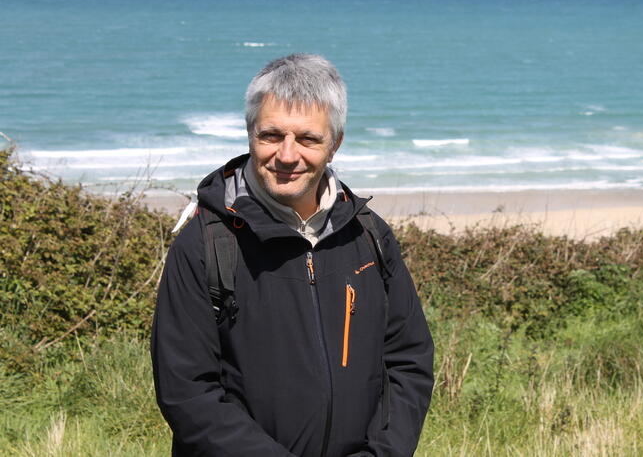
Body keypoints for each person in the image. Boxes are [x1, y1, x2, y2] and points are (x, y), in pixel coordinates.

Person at [151, 54, 434, 457]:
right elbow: (187, 392)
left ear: (334, 144)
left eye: (307, 138)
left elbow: (408, 361)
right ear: (250, 133)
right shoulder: (205, 244)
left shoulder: (369, 234)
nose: (286, 155)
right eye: (271, 135)